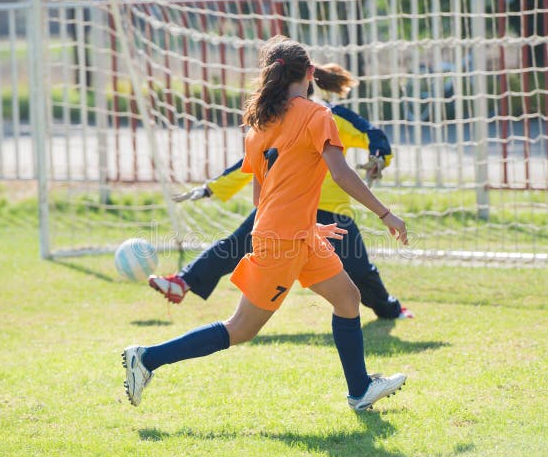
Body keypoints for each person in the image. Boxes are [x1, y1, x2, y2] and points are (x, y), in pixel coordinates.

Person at [123, 36, 409, 412]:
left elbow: (261, 199)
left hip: (293, 235)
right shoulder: (317, 116)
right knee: (241, 328)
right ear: (309, 74)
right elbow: (340, 174)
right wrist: (385, 213)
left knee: (348, 298)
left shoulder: (259, 125)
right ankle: (146, 359)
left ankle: (359, 390)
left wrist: (307, 227)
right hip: (284, 240)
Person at [148, 99, 413, 319]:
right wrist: (212, 188)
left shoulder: (331, 115)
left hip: (329, 211)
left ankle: (389, 310)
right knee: (235, 245)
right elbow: (251, 163)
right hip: (287, 209)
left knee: (358, 269)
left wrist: (378, 157)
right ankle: (182, 282)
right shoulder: (279, 121)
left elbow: (373, 135)